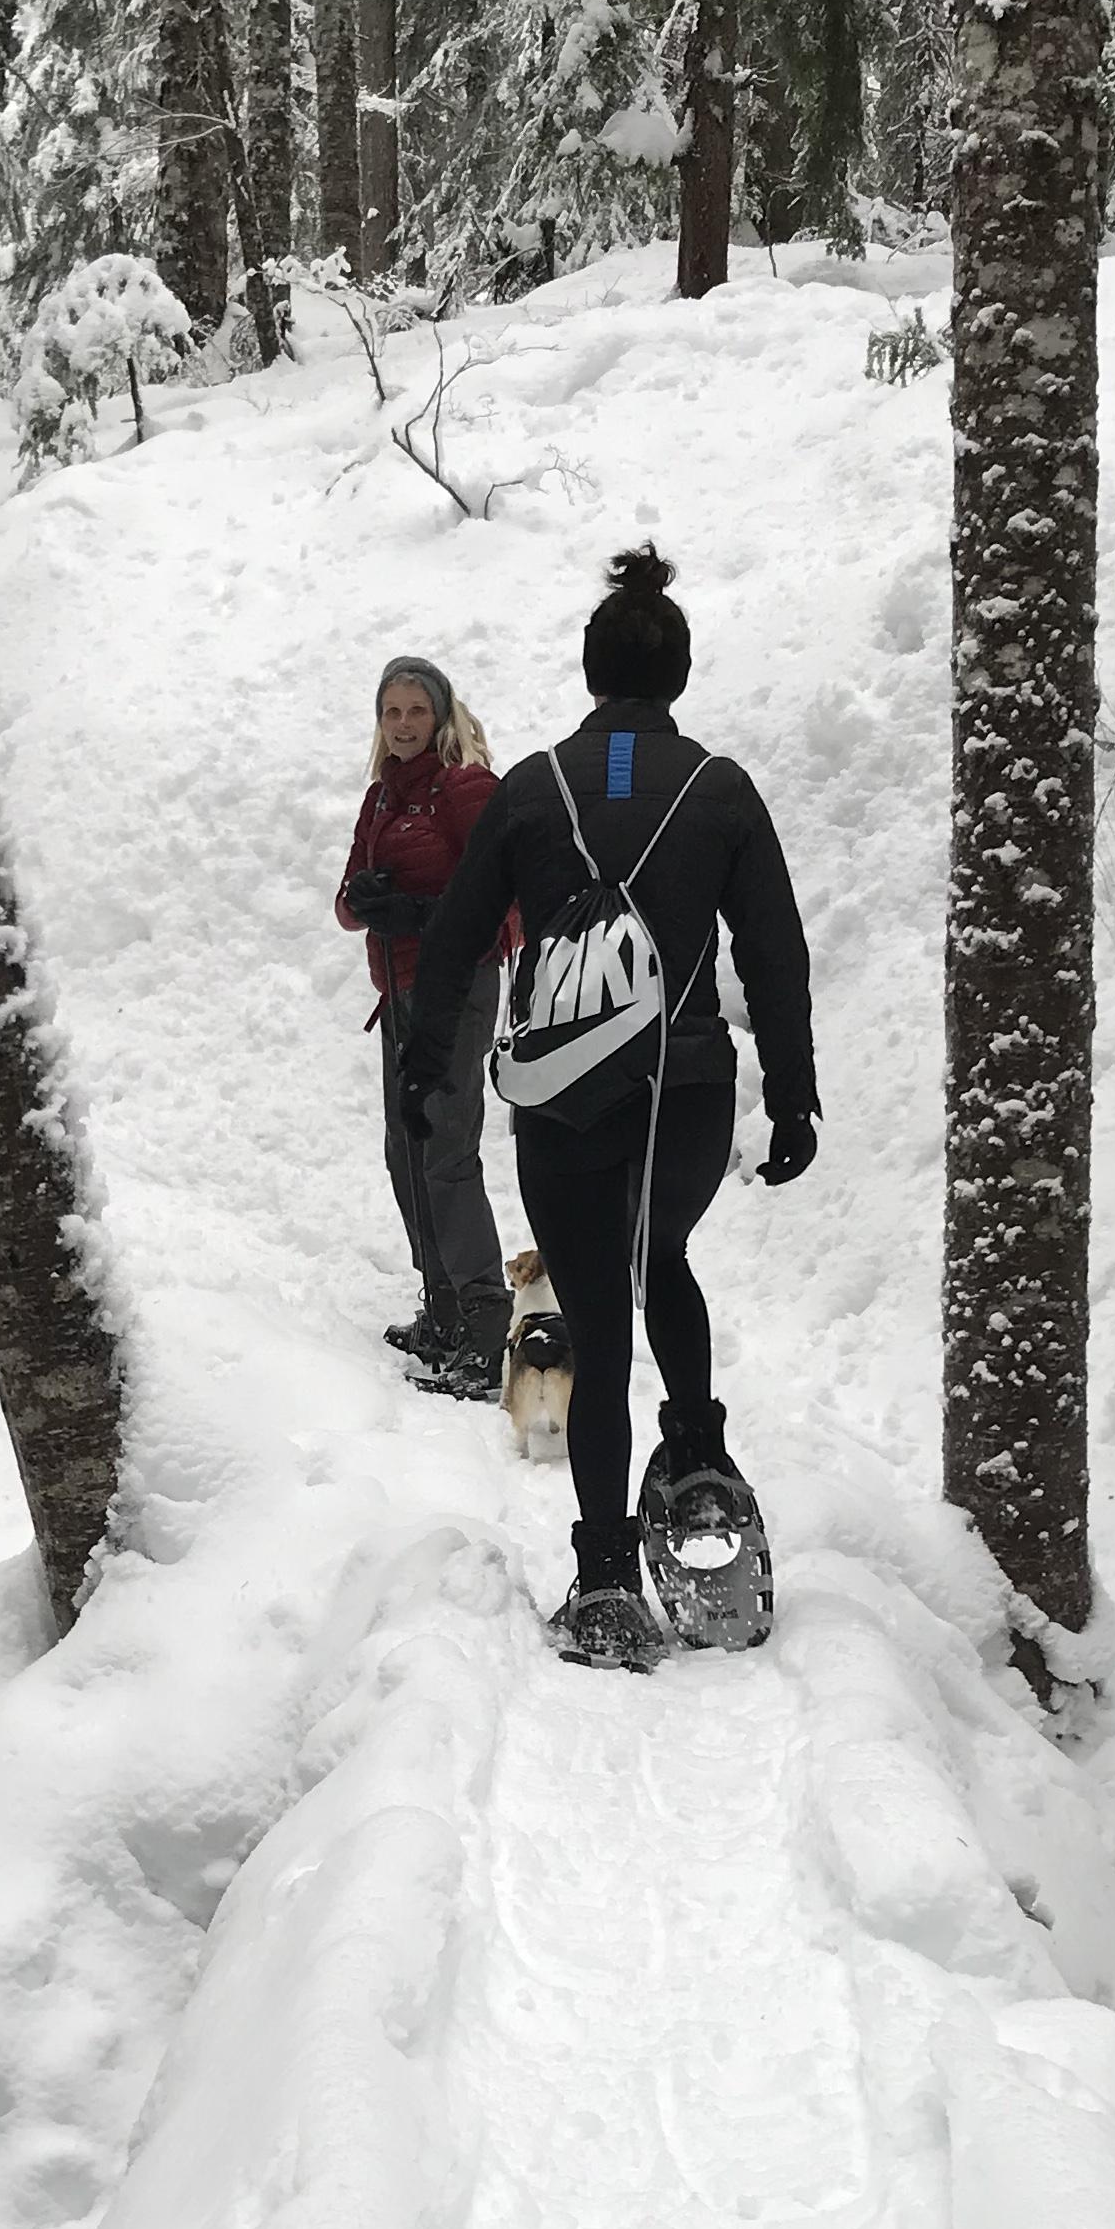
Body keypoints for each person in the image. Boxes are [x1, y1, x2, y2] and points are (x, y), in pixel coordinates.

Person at [401, 546, 816, 1670]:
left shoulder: (533, 787)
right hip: (687, 1092)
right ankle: (698, 1460)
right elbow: (774, 953)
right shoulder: (720, 789)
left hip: (565, 1100)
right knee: (661, 1257)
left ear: (591, 673)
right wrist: (793, 1097)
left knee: (592, 1313)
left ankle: (603, 1582)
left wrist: (425, 1069)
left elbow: (454, 938)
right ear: (677, 674)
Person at [334, 655, 514, 1396]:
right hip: (401, 994)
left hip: (458, 991)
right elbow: (344, 906)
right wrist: (366, 899)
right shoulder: (381, 797)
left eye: (416, 709)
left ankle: (485, 1325)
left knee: (446, 1151)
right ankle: (443, 1309)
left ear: (440, 714)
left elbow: (505, 900)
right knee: (404, 1151)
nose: (404, 723)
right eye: (391, 711)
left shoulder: (467, 789)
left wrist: (422, 915)